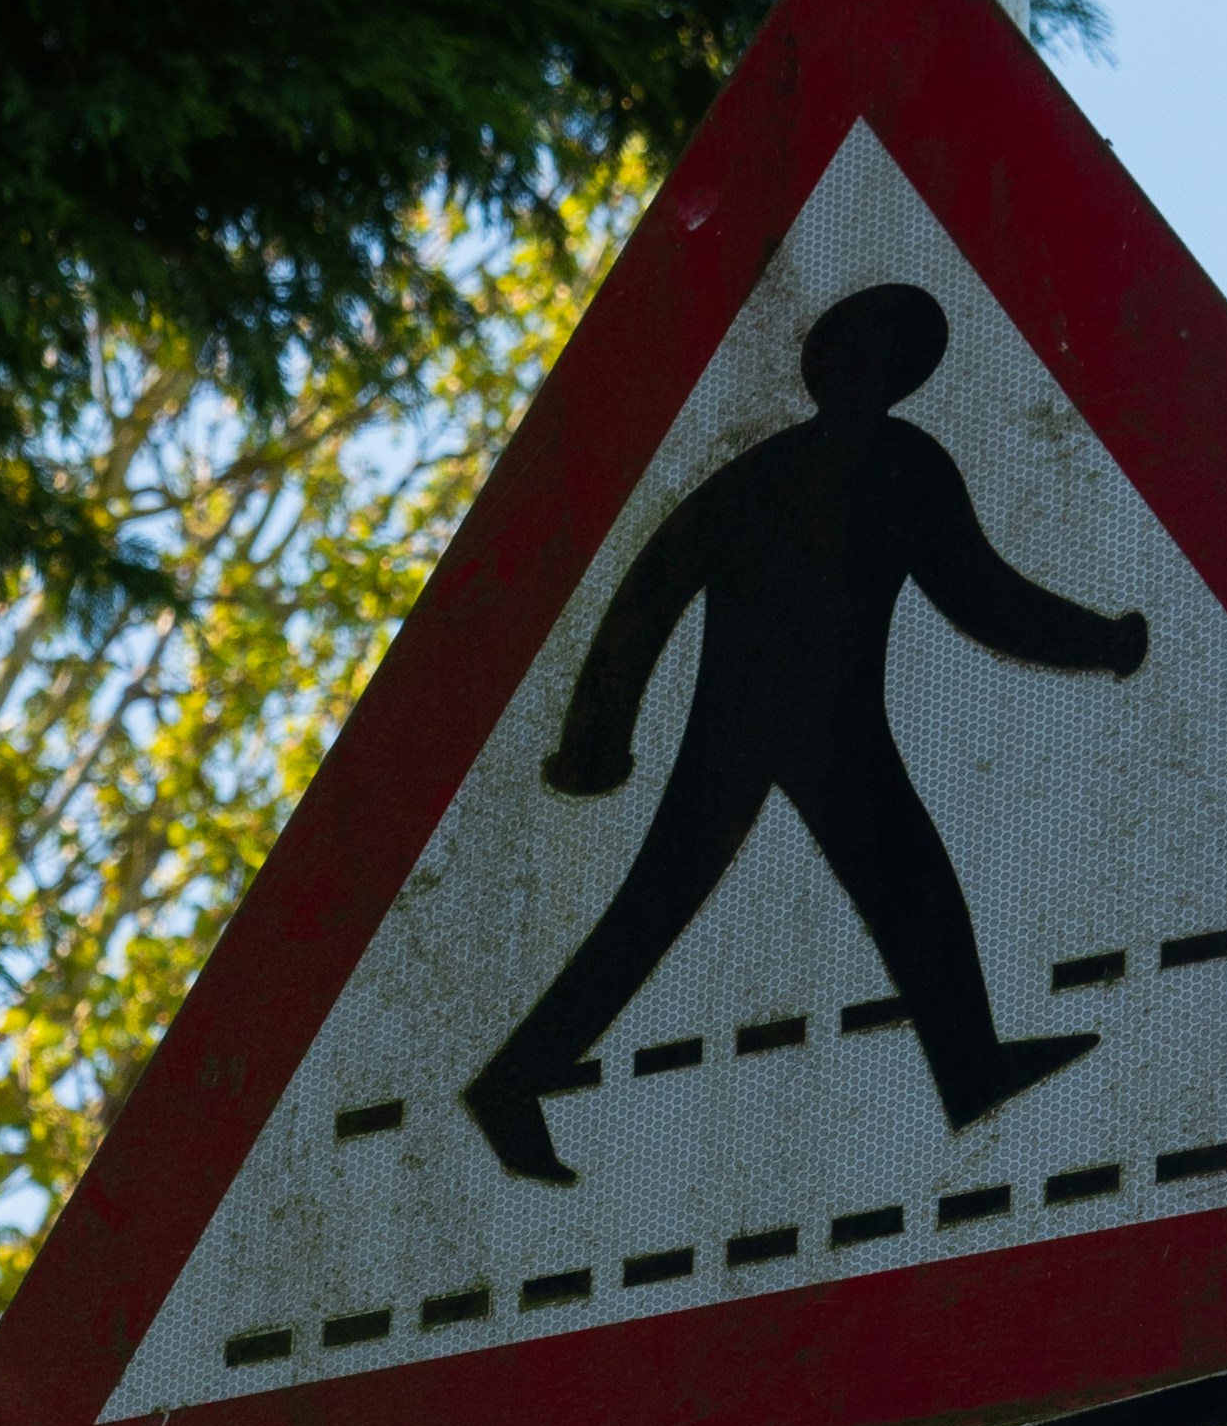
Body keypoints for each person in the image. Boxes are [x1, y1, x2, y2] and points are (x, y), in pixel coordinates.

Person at [463, 280, 1150, 1187]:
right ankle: (512, 1085)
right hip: (771, 722)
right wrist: (595, 741)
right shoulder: (847, 465)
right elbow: (657, 586)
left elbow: (978, 592)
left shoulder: (887, 465)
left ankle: (971, 1065)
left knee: (893, 883)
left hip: (823, 722)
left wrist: (1097, 642)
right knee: (679, 901)